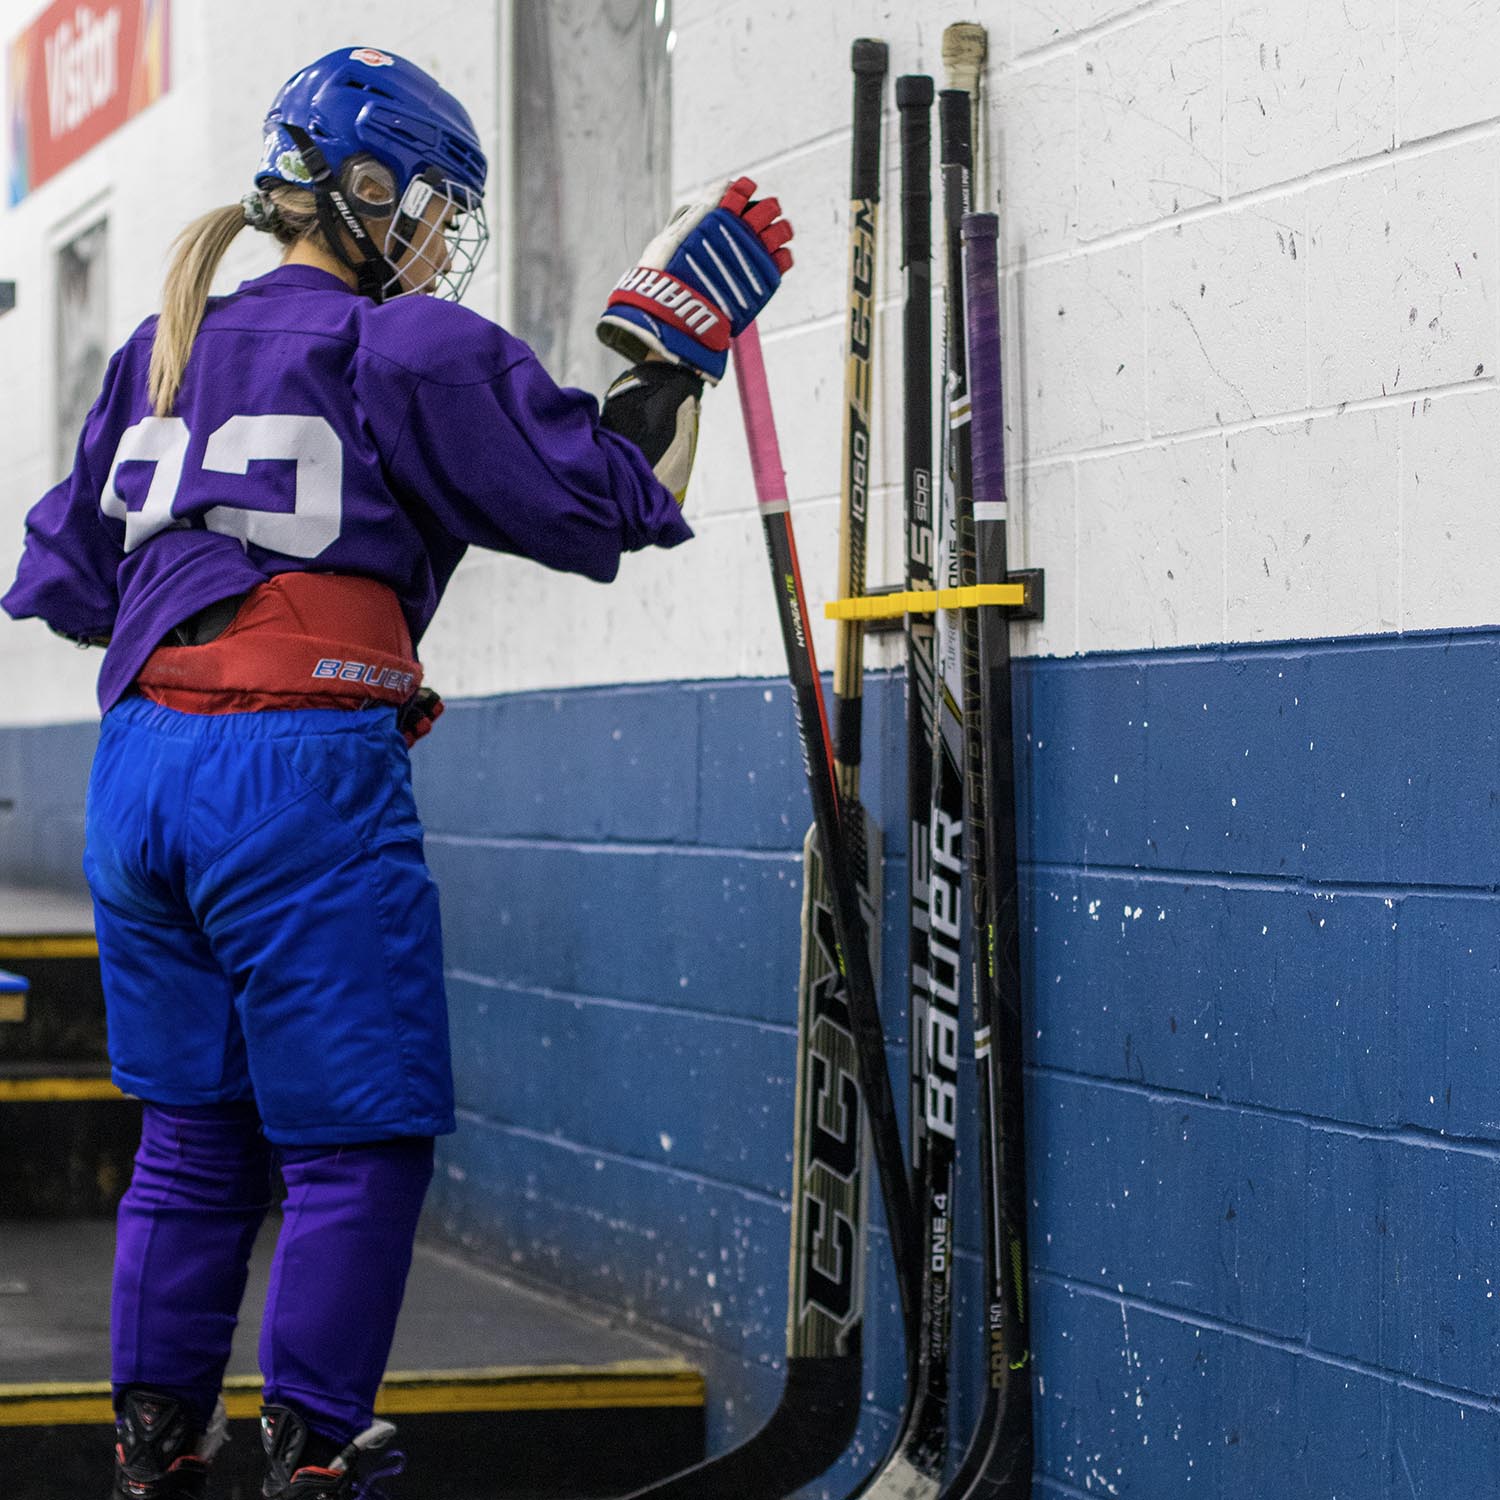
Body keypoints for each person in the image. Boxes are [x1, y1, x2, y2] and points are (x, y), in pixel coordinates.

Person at [1, 46, 792, 1500]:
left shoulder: (161, 344)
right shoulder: (407, 346)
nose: (440, 245)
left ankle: (155, 1455)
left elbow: (59, 580)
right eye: (432, 210)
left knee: (191, 1136)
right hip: (292, 777)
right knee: (355, 1144)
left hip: (139, 772)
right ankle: (314, 1462)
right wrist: (668, 365)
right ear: (368, 193)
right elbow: (615, 507)